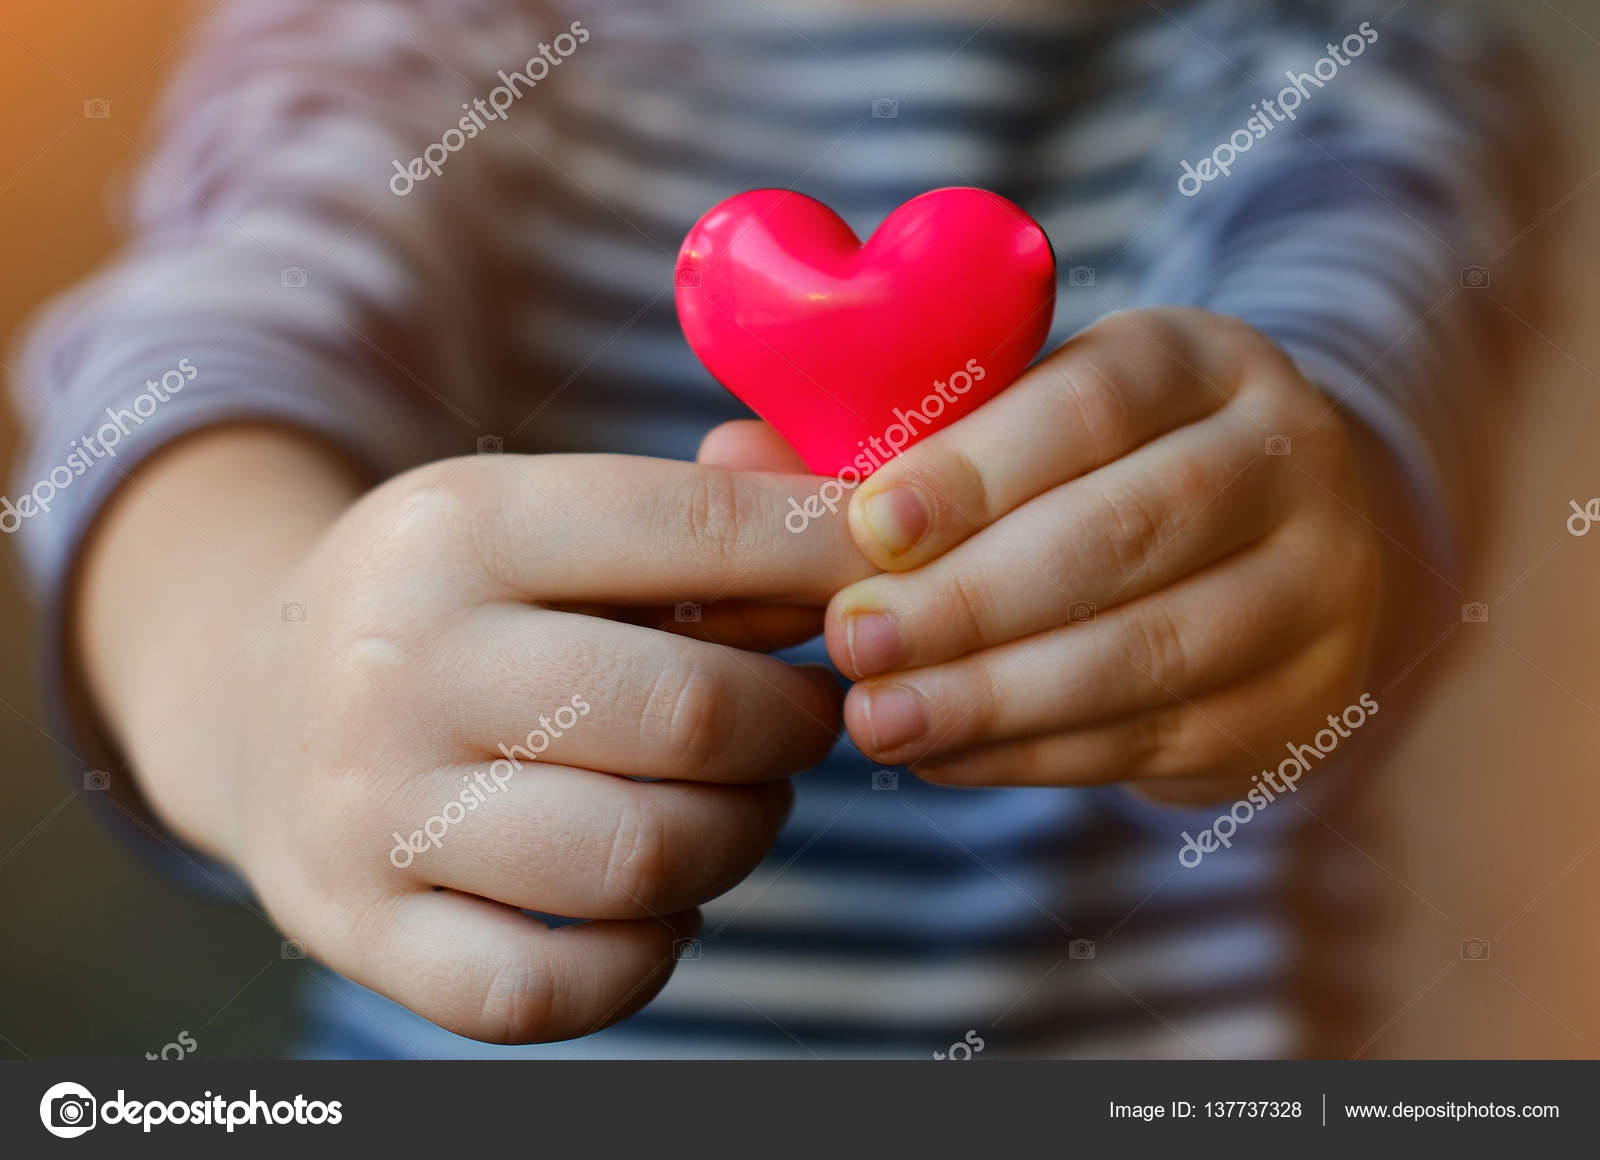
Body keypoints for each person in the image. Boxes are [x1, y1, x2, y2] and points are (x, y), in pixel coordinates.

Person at [7, 0, 1549, 1057]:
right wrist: (258, 673)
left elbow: (1373, 364)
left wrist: (1306, 558)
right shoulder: (408, 39)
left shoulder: (1356, 60)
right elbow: (189, 360)